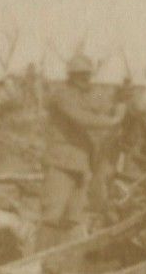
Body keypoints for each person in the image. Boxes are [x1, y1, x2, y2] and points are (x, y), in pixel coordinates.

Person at [37, 54, 124, 249]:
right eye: (82, 76)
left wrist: (119, 102)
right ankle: (37, 263)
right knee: (51, 216)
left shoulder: (86, 95)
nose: (87, 80)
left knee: (73, 219)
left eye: (88, 75)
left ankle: (61, 262)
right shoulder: (62, 95)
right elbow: (83, 118)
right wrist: (113, 120)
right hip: (61, 163)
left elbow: (102, 107)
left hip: (81, 164)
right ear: (72, 76)